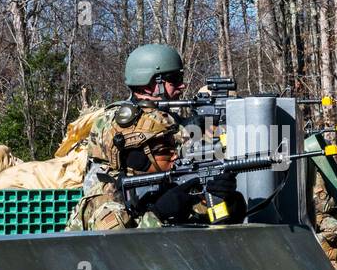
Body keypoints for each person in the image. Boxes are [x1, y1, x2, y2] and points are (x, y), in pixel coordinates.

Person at [67, 107, 244, 231]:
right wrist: (158, 215)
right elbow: (123, 258)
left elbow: (207, 223)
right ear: (137, 158)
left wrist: (223, 202)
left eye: (174, 148)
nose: (175, 155)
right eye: (165, 151)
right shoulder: (107, 200)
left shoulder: (161, 185)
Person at [82, 43, 188, 195]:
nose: (182, 85)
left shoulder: (170, 118)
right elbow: (98, 185)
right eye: (174, 79)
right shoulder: (115, 122)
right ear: (148, 85)